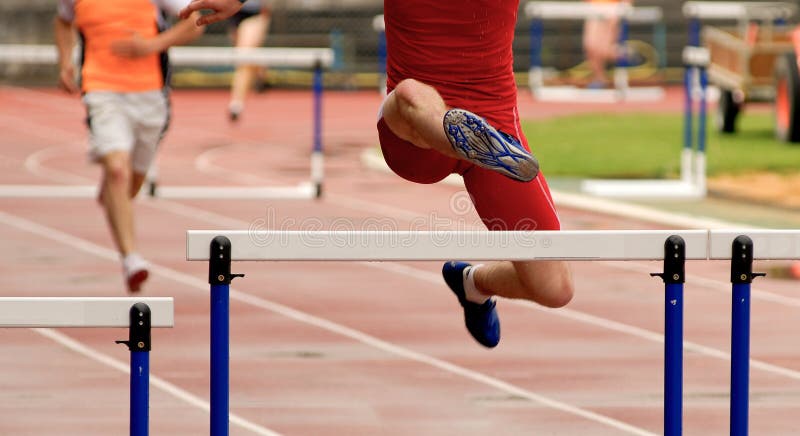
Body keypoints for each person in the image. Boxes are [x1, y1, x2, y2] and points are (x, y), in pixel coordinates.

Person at [180, 0, 575, 348]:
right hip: (414, 134)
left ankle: (472, 283)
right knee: (410, 96)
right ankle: (459, 134)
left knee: (554, 288)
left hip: (494, 132)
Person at [55, 0, 204, 292]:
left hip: (150, 95)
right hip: (102, 90)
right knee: (118, 171)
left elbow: (194, 23)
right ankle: (131, 259)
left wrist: (152, 45)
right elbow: (62, 21)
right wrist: (64, 62)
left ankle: (112, 193)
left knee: (131, 183)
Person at [226, 0, 273, 122]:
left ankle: (236, 104)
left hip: (255, 14)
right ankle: (261, 73)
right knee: (247, 54)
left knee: (243, 57)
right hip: (233, 12)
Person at [583, 0, 629, 89]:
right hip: (594, 9)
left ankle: (627, 55)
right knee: (590, 46)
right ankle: (599, 78)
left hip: (613, 10)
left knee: (604, 48)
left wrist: (623, 7)